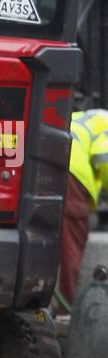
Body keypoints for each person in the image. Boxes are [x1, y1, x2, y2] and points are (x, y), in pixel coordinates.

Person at [56, 107, 108, 307]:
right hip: (72, 173)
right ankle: (66, 310)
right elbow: (105, 161)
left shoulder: (83, 117)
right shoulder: (105, 123)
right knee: (72, 243)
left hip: (46, 164)